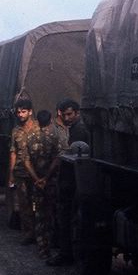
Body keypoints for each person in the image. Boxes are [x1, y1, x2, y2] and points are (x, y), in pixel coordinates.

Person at [49, 98, 90, 265]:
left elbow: (77, 157)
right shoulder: (77, 127)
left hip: (76, 180)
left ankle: (66, 254)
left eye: (70, 114)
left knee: (65, 215)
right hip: (79, 179)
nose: (67, 118)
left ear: (77, 113)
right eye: (64, 115)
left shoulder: (79, 129)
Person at [29, 110, 63, 260]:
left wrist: (37, 179)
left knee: (39, 215)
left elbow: (25, 161)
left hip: (36, 183)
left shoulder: (30, 137)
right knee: (52, 213)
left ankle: (42, 248)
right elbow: (58, 159)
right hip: (51, 182)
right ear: (50, 121)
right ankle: (53, 246)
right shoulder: (56, 137)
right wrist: (46, 178)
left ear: (37, 120)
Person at [8, 96, 40, 244]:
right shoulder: (15, 131)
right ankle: (29, 234)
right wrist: (11, 174)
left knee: (41, 204)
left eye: (23, 111)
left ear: (30, 112)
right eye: (18, 112)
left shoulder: (39, 128)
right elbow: (13, 152)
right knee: (24, 204)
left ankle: (43, 234)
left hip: (38, 173)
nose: (20, 114)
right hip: (21, 172)